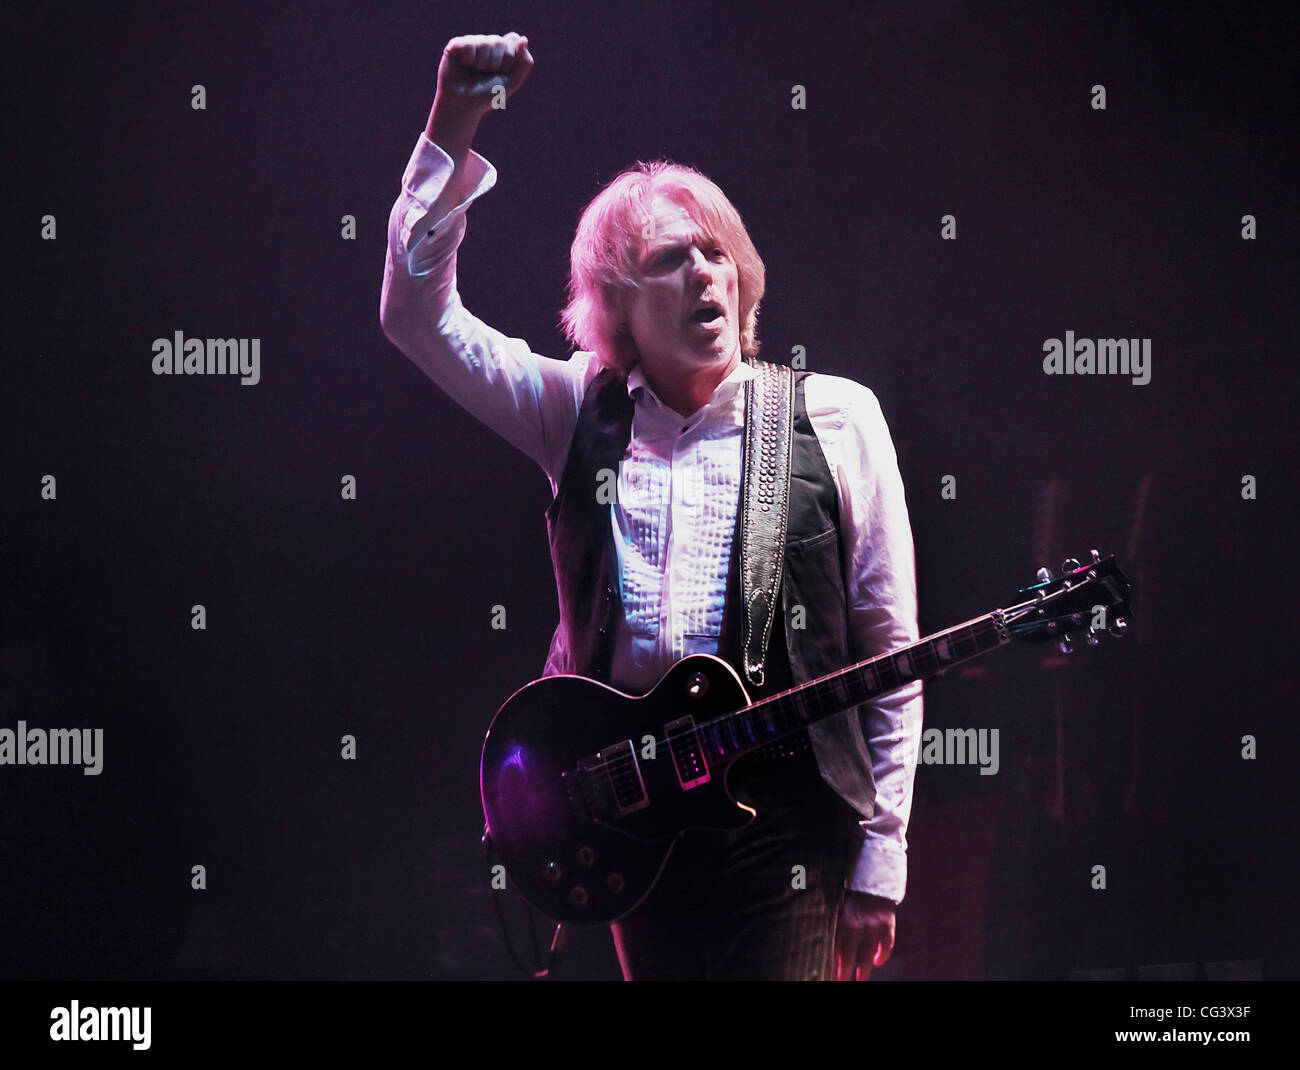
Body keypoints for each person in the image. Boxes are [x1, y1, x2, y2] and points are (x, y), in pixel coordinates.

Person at [380, 32, 923, 981]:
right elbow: (414, 318)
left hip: (789, 815)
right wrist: (453, 120)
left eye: (718, 253)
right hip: (637, 817)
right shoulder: (574, 412)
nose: (705, 273)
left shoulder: (835, 416)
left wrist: (882, 856)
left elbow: (890, 649)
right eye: (673, 260)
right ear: (619, 304)